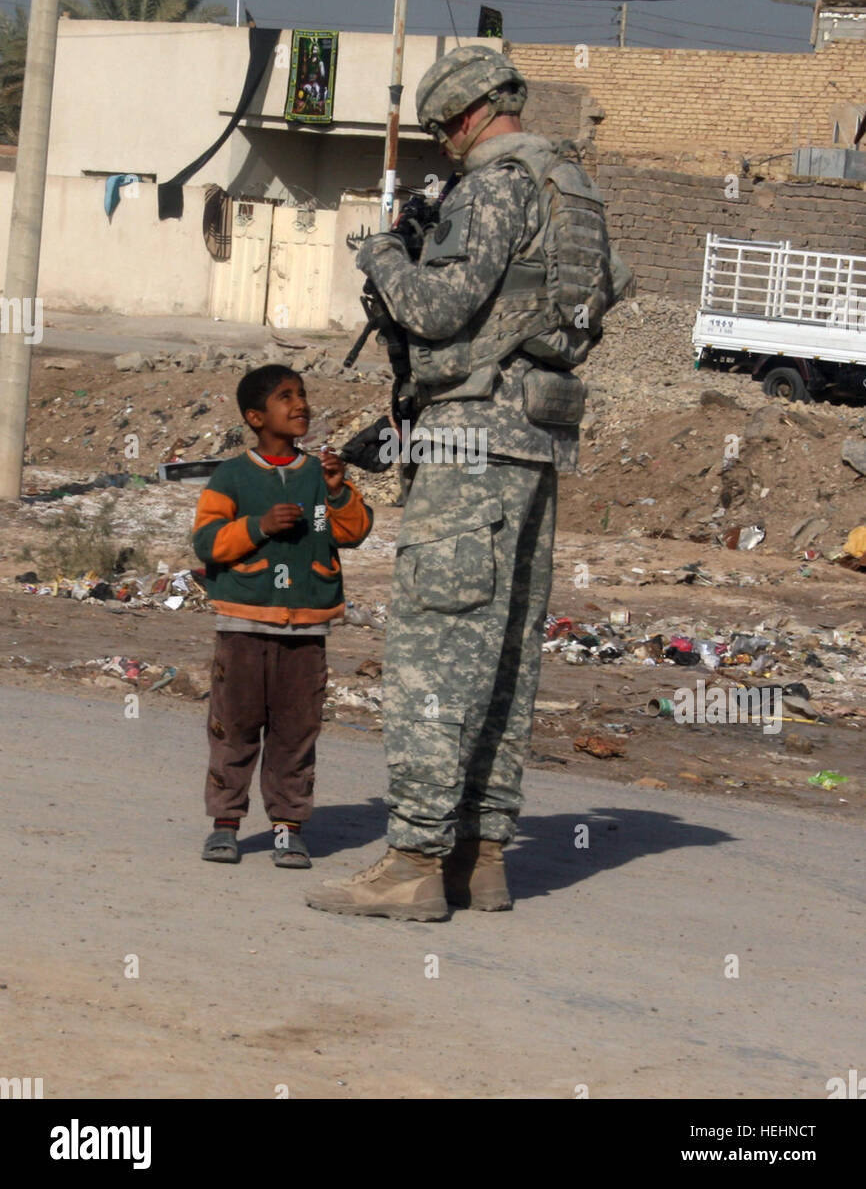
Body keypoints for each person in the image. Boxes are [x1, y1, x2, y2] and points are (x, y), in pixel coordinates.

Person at [306, 45, 623, 922]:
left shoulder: (494, 187)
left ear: (466, 115)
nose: (445, 144)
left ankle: (412, 861)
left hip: (470, 442)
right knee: (507, 654)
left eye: (443, 128)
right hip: (538, 438)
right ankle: (481, 858)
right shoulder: (575, 190)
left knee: (434, 650)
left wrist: (383, 260)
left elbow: (441, 311)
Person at [193, 365, 373, 869]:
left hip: (307, 628)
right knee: (235, 728)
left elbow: (352, 531)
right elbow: (207, 542)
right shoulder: (231, 476)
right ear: (255, 417)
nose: (300, 405)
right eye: (285, 397)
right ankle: (225, 824)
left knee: (297, 732)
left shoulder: (320, 473)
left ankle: (287, 829)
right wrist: (258, 526)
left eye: (302, 395)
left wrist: (337, 490)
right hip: (243, 626)